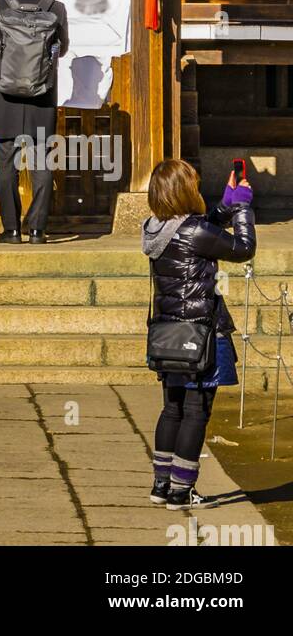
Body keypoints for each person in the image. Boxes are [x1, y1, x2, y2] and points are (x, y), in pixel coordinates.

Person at [143, 158, 255, 510]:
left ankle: (162, 485)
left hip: (168, 333)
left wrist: (224, 204)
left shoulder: (156, 226)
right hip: (203, 333)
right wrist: (242, 209)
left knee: (172, 408)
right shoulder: (194, 231)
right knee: (197, 410)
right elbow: (243, 249)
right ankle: (182, 490)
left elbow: (202, 230)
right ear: (184, 190)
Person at [0, 0, 68, 244]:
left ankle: (11, 230)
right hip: (42, 93)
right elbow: (62, 49)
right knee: (42, 163)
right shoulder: (56, 7)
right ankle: (38, 231)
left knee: (8, 165)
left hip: (4, 95)